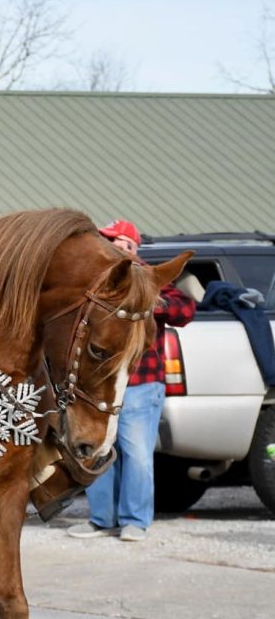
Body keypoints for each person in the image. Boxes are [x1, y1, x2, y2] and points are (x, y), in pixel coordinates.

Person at [68, 218, 195, 542]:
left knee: (137, 454)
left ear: (131, 247)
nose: (108, 245)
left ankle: (135, 521)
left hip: (141, 385)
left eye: (115, 241)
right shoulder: (102, 283)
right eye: (105, 239)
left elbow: (185, 310)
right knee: (96, 449)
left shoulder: (149, 278)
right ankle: (100, 519)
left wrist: (147, 298)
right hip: (101, 386)